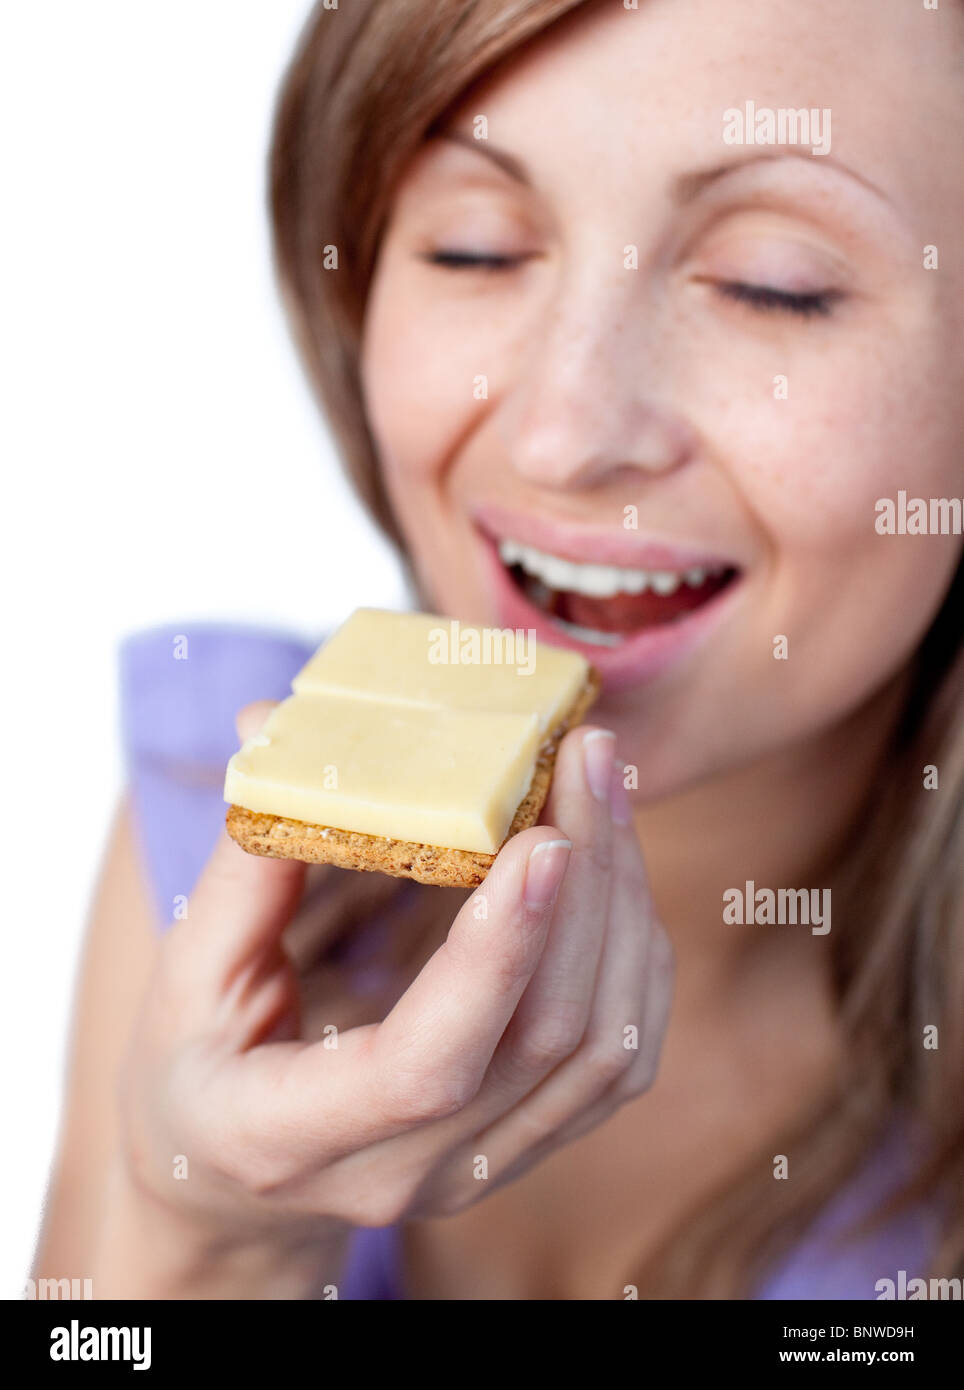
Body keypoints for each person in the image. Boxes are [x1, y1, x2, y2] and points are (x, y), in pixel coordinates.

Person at [31, 0, 963, 1299]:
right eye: (473, 250)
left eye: (772, 283)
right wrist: (203, 1236)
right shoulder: (212, 844)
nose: (563, 431)